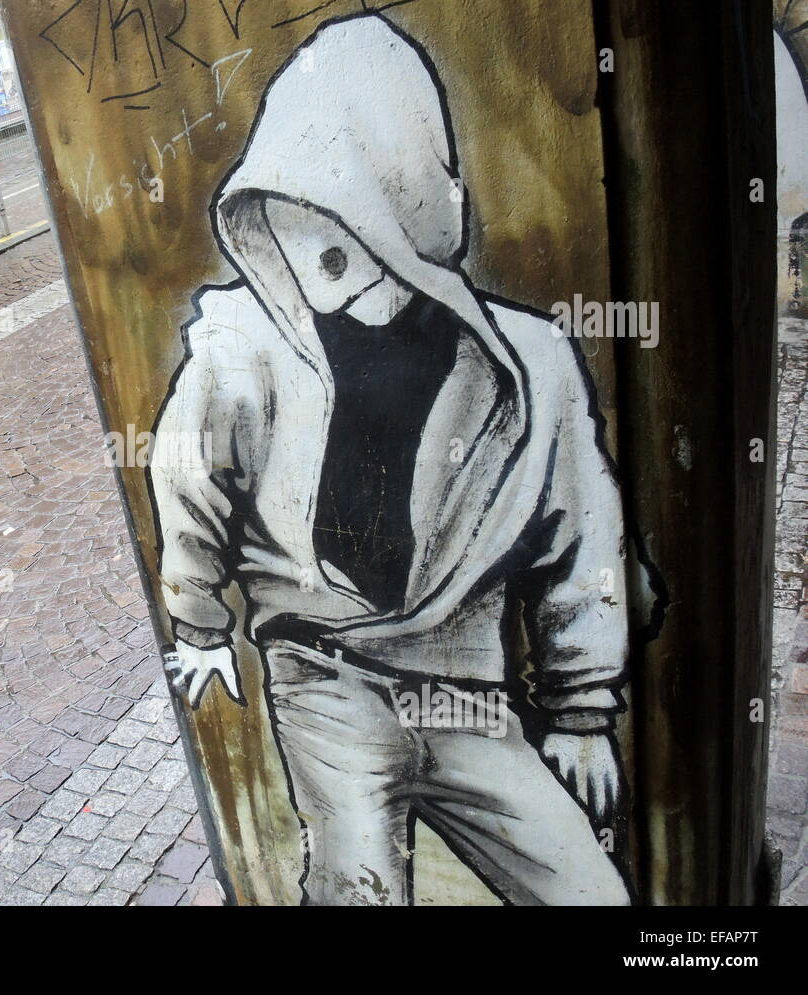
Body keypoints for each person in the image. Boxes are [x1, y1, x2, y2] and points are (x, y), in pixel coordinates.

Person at [149, 11, 661, 905]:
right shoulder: (243, 349)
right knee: (356, 888)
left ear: (408, 206)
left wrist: (581, 709)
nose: (330, 263)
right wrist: (195, 620)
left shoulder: (530, 366)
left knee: (592, 895)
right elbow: (193, 479)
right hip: (325, 674)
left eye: (349, 222)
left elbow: (582, 532)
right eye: (298, 228)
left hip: (463, 687)